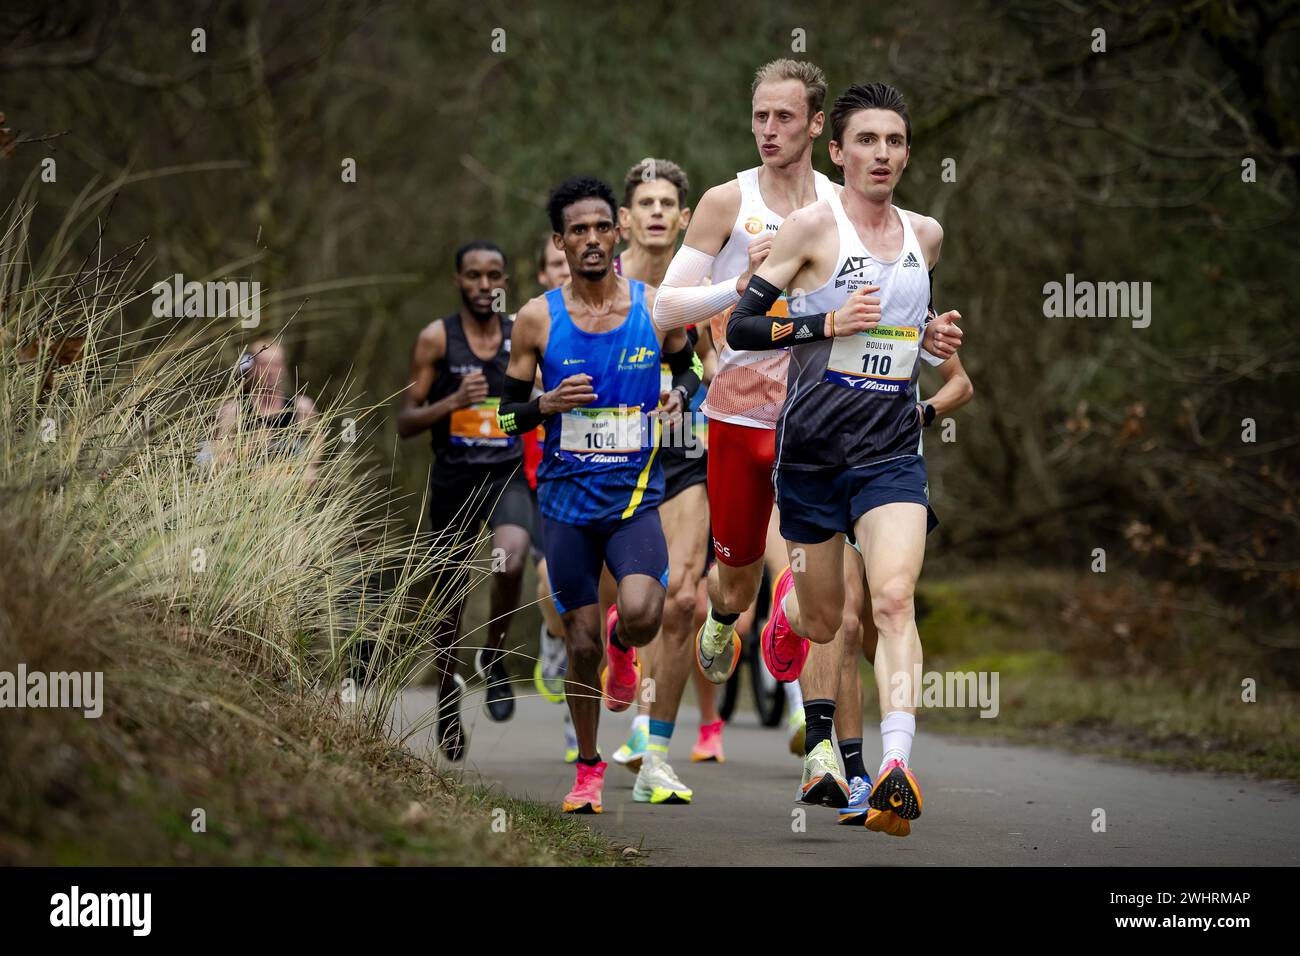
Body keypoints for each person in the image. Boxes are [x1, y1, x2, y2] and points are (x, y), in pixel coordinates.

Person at [724, 82, 965, 831]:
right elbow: (740, 326)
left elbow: (906, 324)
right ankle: (788, 616)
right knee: (827, 620)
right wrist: (822, 320)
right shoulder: (809, 230)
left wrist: (931, 341)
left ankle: (895, 765)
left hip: (891, 449)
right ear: (838, 151)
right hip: (813, 454)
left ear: (906, 153)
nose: (882, 154)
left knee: (892, 600)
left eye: (895, 141)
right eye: (867, 140)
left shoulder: (925, 235)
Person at [497, 177, 700, 814]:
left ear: (616, 231)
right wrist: (544, 404)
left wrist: (680, 396)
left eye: (598, 228)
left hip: (635, 495)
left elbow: (690, 365)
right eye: (575, 231)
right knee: (577, 644)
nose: (589, 240)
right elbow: (504, 417)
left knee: (643, 614)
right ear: (561, 240)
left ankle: (624, 647)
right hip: (563, 504)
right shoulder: (536, 318)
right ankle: (587, 771)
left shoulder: (653, 304)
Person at [396, 241, 536, 761]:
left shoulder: (520, 336)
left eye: (493, 275)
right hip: (453, 481)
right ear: (458, 281)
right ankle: (448, 698)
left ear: (505, 280)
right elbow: (405, 421)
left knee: (513, 554)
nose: (484, 285)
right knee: (448, 604)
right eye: (473, 276)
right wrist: (452, 402)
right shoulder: (436, 340)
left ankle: (494, 659)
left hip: (506, 476)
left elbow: (538, 401)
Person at [601, 158, 710, 805]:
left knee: (684, 598)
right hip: (611, 460)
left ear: (685, 217)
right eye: (646, 202)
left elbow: (693, 360)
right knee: (618, 609)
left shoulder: (692, 283)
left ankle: (653, 750)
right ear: (624, 220)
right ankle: (619, 644)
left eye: (669, 202)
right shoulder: (597, 288)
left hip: (682, 452)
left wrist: (686, 392)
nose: (658, 213)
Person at [835, 353, 973, 829]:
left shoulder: (912, 298)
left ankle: (894, 764)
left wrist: (924, 411)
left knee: (892, 604)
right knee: (843, 623)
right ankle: (851, 772)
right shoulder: (812, 287)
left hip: (892, 468)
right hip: (819, 469)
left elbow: (960, 383)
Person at [529, 234, 581, 764]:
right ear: (543, 272)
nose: (561, 270)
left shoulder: (608, 318)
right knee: (553, 587)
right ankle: (549, 636)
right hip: (536, 476)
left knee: (588, 608)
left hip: (595, 477)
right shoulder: (531, 324)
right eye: (551, 264)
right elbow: (506, 407)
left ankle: (577, 728)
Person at [210, 339, 320, 476]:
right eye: (264, 364)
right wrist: (248, 454)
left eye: (276, 365)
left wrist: (307, 469)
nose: (270, 371)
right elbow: (220, 455)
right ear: (251, 367)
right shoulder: (233, 411)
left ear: (284, 368)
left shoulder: (301, 408)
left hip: (291, 486)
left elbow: (316, 441)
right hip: (248, 487)